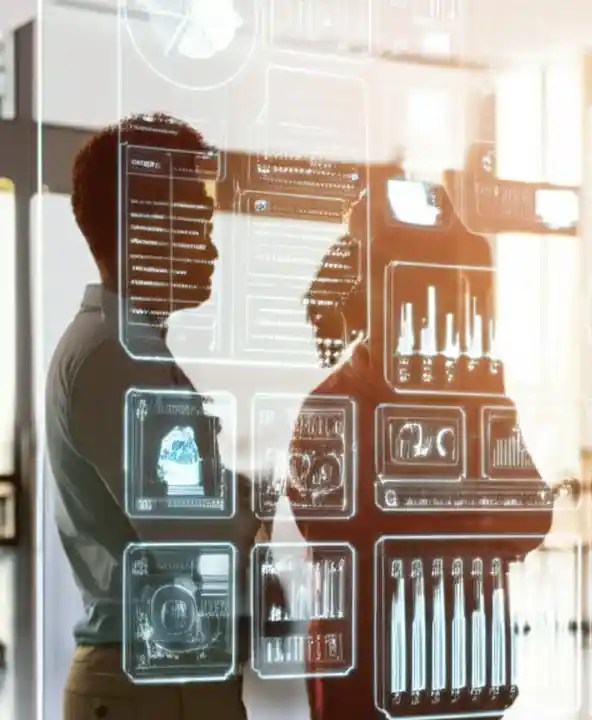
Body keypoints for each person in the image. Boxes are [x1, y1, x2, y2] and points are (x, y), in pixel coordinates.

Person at [292, 173, 553, 719]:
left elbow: (531, 518)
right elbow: (344, 536)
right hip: (367, 685)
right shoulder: (330, 407)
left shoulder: (478, 396)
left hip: (462, 678)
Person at [46, 114, 258, 720]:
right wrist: (255, 510)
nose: (211, 246)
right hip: (152, 690)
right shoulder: (116, 359)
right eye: (197, 222)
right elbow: (193, 538)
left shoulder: (125, 349)